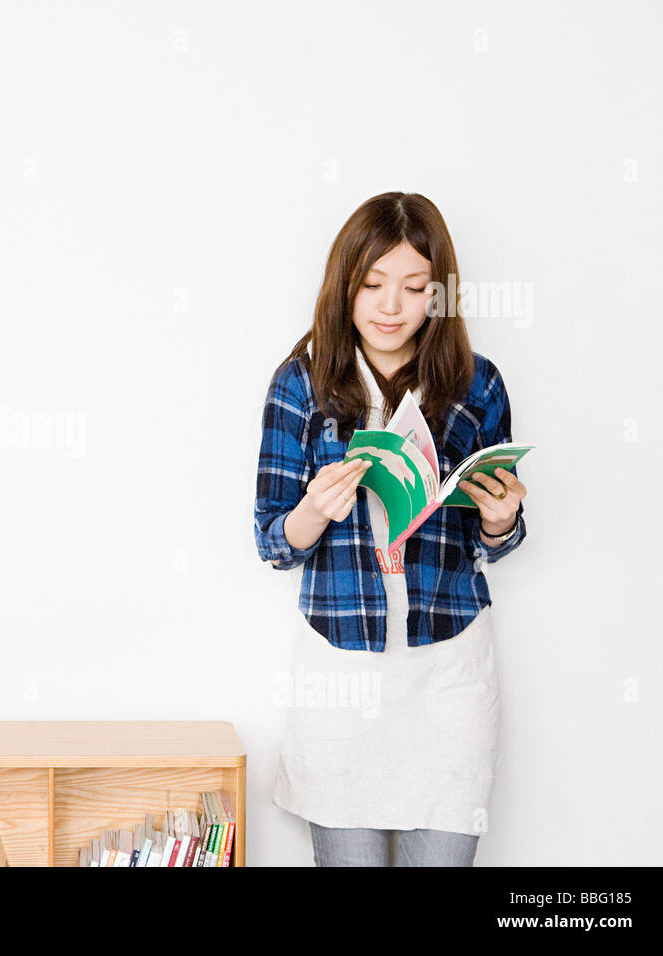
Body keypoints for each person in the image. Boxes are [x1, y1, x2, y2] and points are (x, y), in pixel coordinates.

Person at [254, 193, 529, 866]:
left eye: (412, 288)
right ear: (344, 284)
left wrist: (502, 520)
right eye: (372, 284)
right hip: (343, 673)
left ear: (438, 294)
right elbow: (270, 539)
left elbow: (497, 538)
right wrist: (315, 510)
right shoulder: (302, 382)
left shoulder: (477, 385)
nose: (389, 306)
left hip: (449, 672)